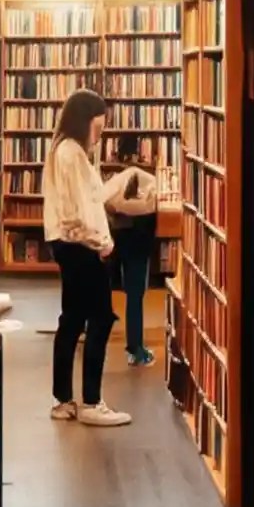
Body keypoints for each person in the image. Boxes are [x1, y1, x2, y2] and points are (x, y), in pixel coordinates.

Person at [42, 88, 133, 426]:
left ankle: (63, 400)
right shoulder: (72, 155)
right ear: (85, 123)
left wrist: (118, 182)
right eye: (98, 128)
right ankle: (92, 402)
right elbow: (79, 212)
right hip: (81, 246)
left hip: (67, 244)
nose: (100, 135)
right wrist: (101, 243)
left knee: (72, 320)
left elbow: (87, 198)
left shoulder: (62, 150)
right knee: (100, 318)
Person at [104, 136, 159, 367]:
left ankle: (93, 336)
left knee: (102, 289)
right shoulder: (150, 181)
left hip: (115, 239)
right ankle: (135, 348)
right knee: (135, 296)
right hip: (138, 242)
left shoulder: (116, 180)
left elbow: (103, 200)